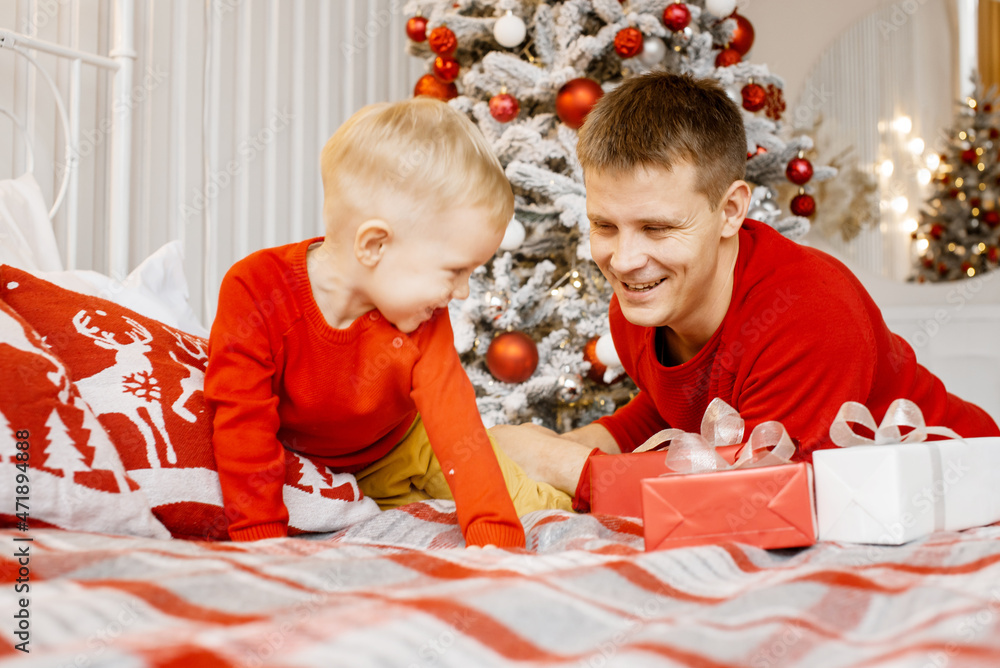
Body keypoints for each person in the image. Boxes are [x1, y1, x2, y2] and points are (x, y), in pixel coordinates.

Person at [491, 72, 1000, 511]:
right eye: (604, 225)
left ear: (731, 210)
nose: (623, 261)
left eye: (658, 228)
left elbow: (757, 499)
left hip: (968, 503)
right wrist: (550, 446)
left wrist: (567, 465)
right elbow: (674, 411)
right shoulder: (643, 301)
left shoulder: (811, 312)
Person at [205, 97, 571, 546]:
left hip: (413, 443)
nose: (463, 293)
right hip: (320, 468)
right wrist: (261, 540)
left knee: (537, 507)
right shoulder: (255, 289)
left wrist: (493, 533)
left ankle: (578, 481)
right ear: (375, 246)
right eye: (456, 271)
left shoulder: (422, 318)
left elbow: (454, 419)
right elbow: (242, 422)